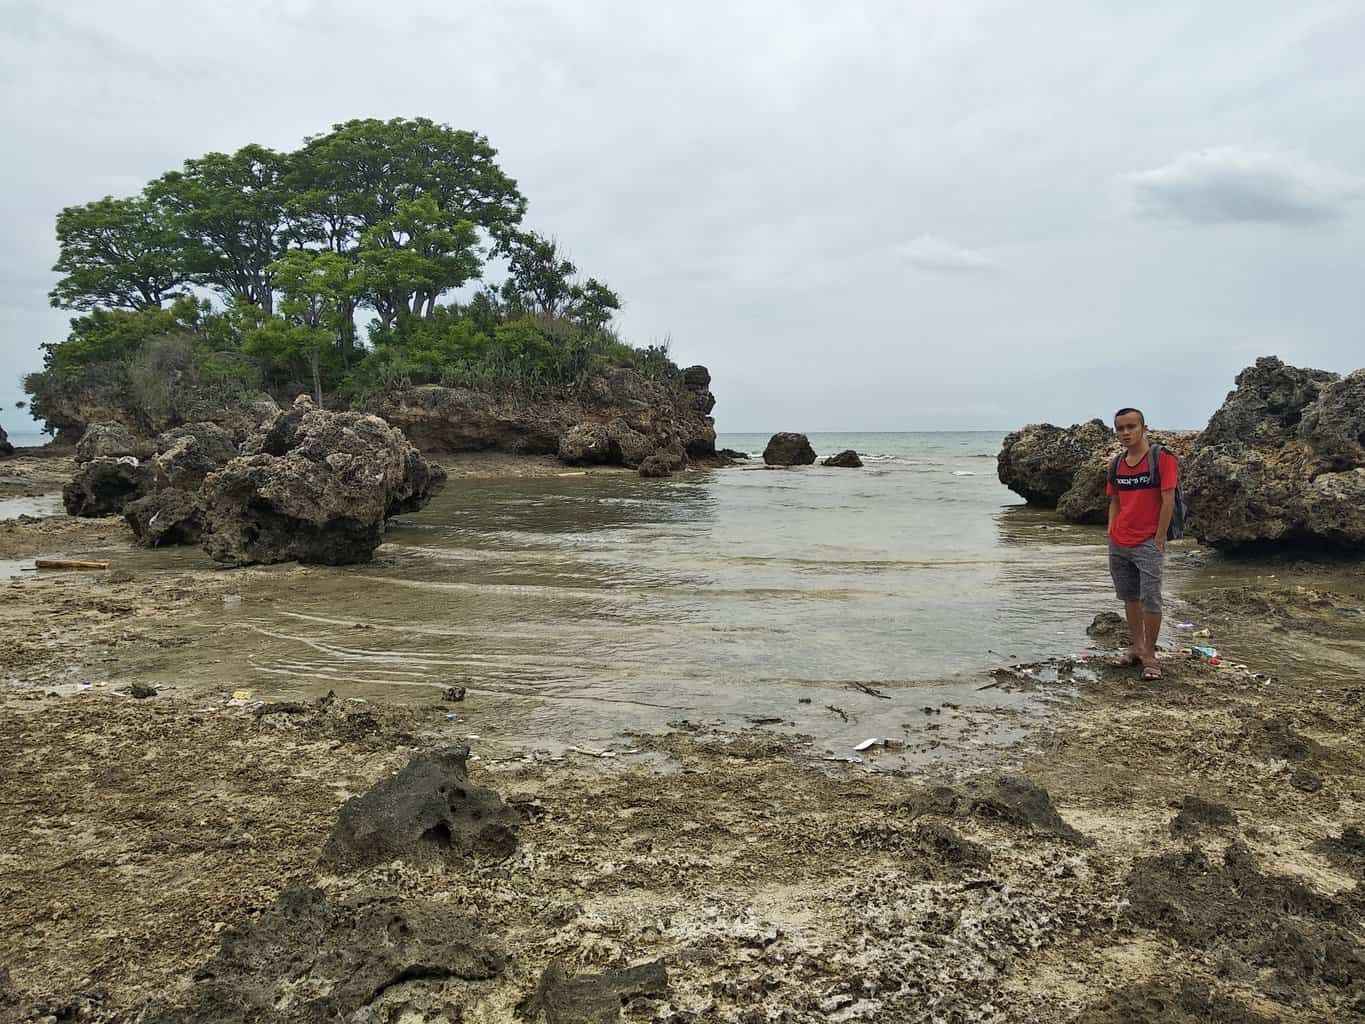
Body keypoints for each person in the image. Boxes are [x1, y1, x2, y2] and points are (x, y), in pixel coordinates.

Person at [1106, 407, 1178, 680]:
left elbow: (1168, 499)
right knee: (1129, 597)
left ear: (1143, 428)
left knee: (1152, 599)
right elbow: (1115, 499)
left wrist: (1159, 536)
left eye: (1131, 427)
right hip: (1119, 542)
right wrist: (1111, 530)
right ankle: (1136, 647)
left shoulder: (1162, 459)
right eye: (1120, 428)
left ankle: (1150, 654)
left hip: (1148, 541)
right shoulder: (1116, 464)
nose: (1125, 433)